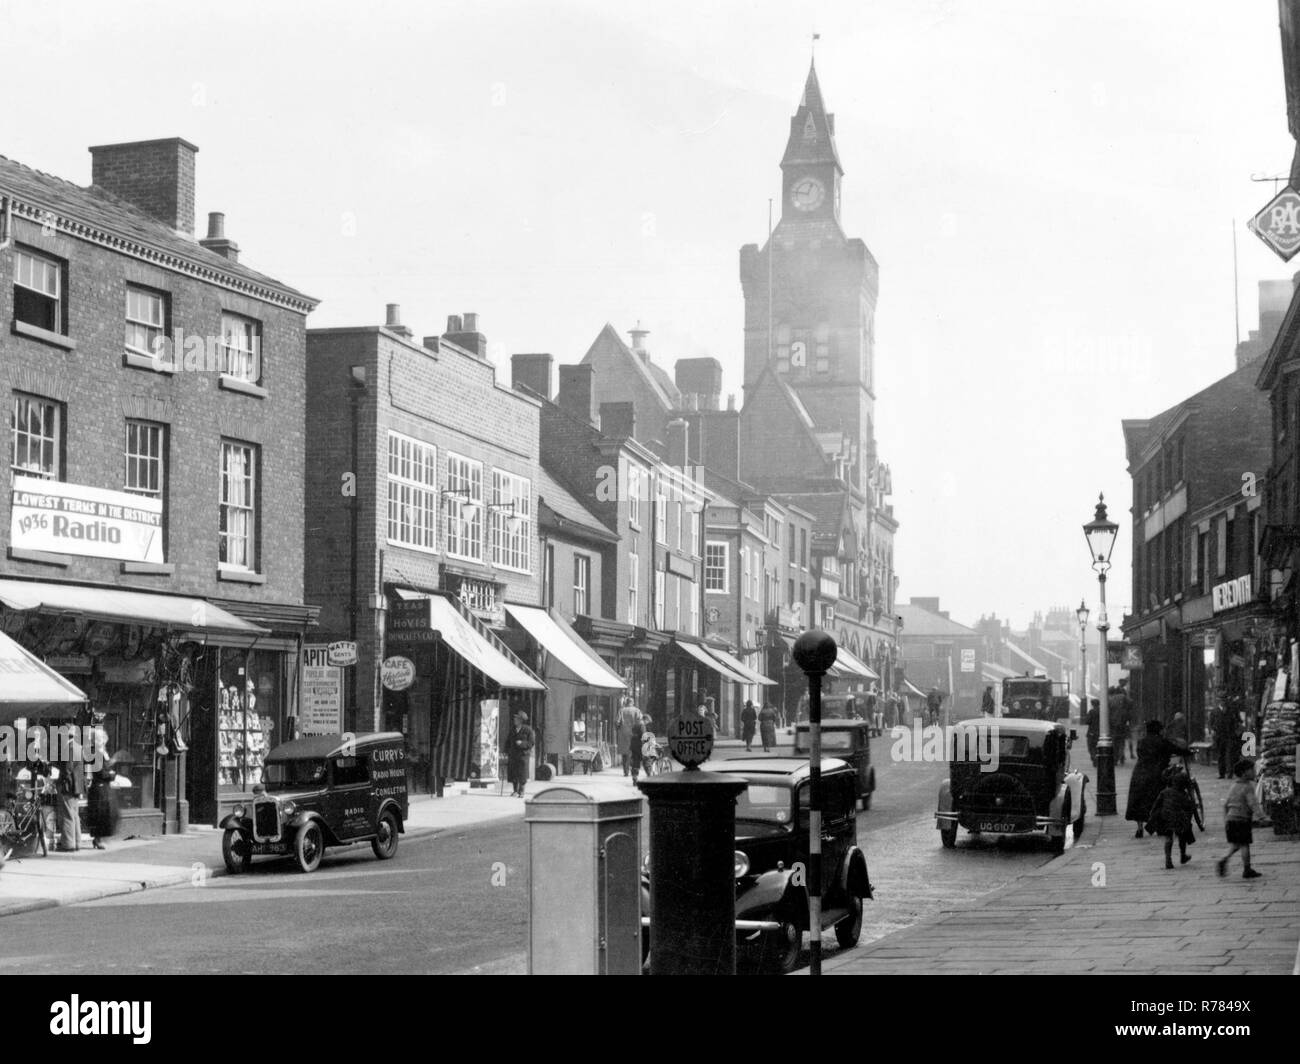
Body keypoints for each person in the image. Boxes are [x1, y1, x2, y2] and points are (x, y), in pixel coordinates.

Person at [1125, 720, 1183, 838]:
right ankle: (1158, 826)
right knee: (1156, 799)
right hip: (1156, 774)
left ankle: (1140, 828)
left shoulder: (1142, 742)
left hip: (1139, 772)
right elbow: (1176, 749)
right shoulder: (1161, 741)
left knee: (1139, 800)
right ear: (1158, 730)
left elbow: (1140, 754)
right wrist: (1188, 752)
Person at [1145, 767, 1202, 869]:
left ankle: (1168, 859)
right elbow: (1191, 809)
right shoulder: (1184, 795)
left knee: (1168, 838)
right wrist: (1196, 823)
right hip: (1178, 819)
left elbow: (1156, 804)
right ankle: (1182, 855)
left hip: (1164, 817)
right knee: (1183, 836)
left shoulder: (1165, 792)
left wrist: (1152, 815)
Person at [1217, 759, 1263, 879]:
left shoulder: (1233, 786)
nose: (1254, 772)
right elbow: (1253, 803)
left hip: (1231, 820)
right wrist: (1261, 816)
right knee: (1245, 845)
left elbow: (1226, 804)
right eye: (1252, 770)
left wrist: (1226, 820)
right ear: (1244, 773)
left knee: (1236, 845)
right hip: (1242, 819)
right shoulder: (1247, 787)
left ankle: (1224, 859)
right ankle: (1247, 869)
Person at [85, 718, 119, 850]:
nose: (104, 741)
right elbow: (101, 772)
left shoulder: (102, 752)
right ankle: (98, 839)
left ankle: (100, 838)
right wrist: (112, 774)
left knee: (106, 814)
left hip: (103, 787)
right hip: (99, 787)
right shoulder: (95, 753)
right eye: (101, 739)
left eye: (104, 739)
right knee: (100, 814)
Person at [55, 720, 86, 852]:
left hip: (68, 786)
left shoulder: (70, 748)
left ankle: (68, 844)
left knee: (67, 814)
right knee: (74, 815)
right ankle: (77, 842)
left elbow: (67, 769)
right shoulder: (78, 747)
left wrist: (59, 782)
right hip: (76, 787)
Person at [505, 710, 535, 798]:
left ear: (521, 720)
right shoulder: (512, 729)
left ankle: (521, 792)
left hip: (523, 755)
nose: (515, 720)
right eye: (514, 718)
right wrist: (505, 751)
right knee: (513, 773)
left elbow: (531, 743)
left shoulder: (528, 730)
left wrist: (522, 743)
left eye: (517, 719)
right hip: (513, 755)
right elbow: (508, 741)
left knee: (522, 774)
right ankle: (515, 791)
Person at [1210, 702, 1239, 780]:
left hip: (1229, 736)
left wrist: (1235, 731)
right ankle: (1221, 773)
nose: (1223, 702)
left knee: (1229, 755)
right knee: (1221, 755)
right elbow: (1211, 723)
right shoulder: (1214, 711)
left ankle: (1230, 773)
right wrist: (1213, 732)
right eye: (1221, 699)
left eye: (1224, 699)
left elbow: (1236, 721)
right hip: (1219, 736)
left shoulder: (1231, 710)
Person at [616, 697, 640, 777]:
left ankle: (625, 771)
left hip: (623, 734)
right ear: (632, 703)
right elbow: (640, 721)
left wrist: (619, 729)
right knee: (632, 752)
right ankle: (632, 769)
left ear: (626, 702)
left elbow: (617, 722)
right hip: (633, 734)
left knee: (624, 753)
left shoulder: (621, 710)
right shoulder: (637, 710)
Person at [629, 715, 645, 781]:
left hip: (633, 745)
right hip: (639, 745)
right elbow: (643, 735)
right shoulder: (642, 725)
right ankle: (636, 775)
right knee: (638, 761)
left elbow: (632, 734)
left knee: (635, 760)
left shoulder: (634, 725)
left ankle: (634, 776)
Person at [1085, 698, 1100, 766]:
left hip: (1092, 732)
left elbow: (1087, 721)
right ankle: (1097, 758)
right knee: (1097, 747)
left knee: (1091, 747)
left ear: (1092, 704)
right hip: (1099, 732)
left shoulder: (1091, 711)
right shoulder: (1102, 711)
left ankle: (1094, 758)